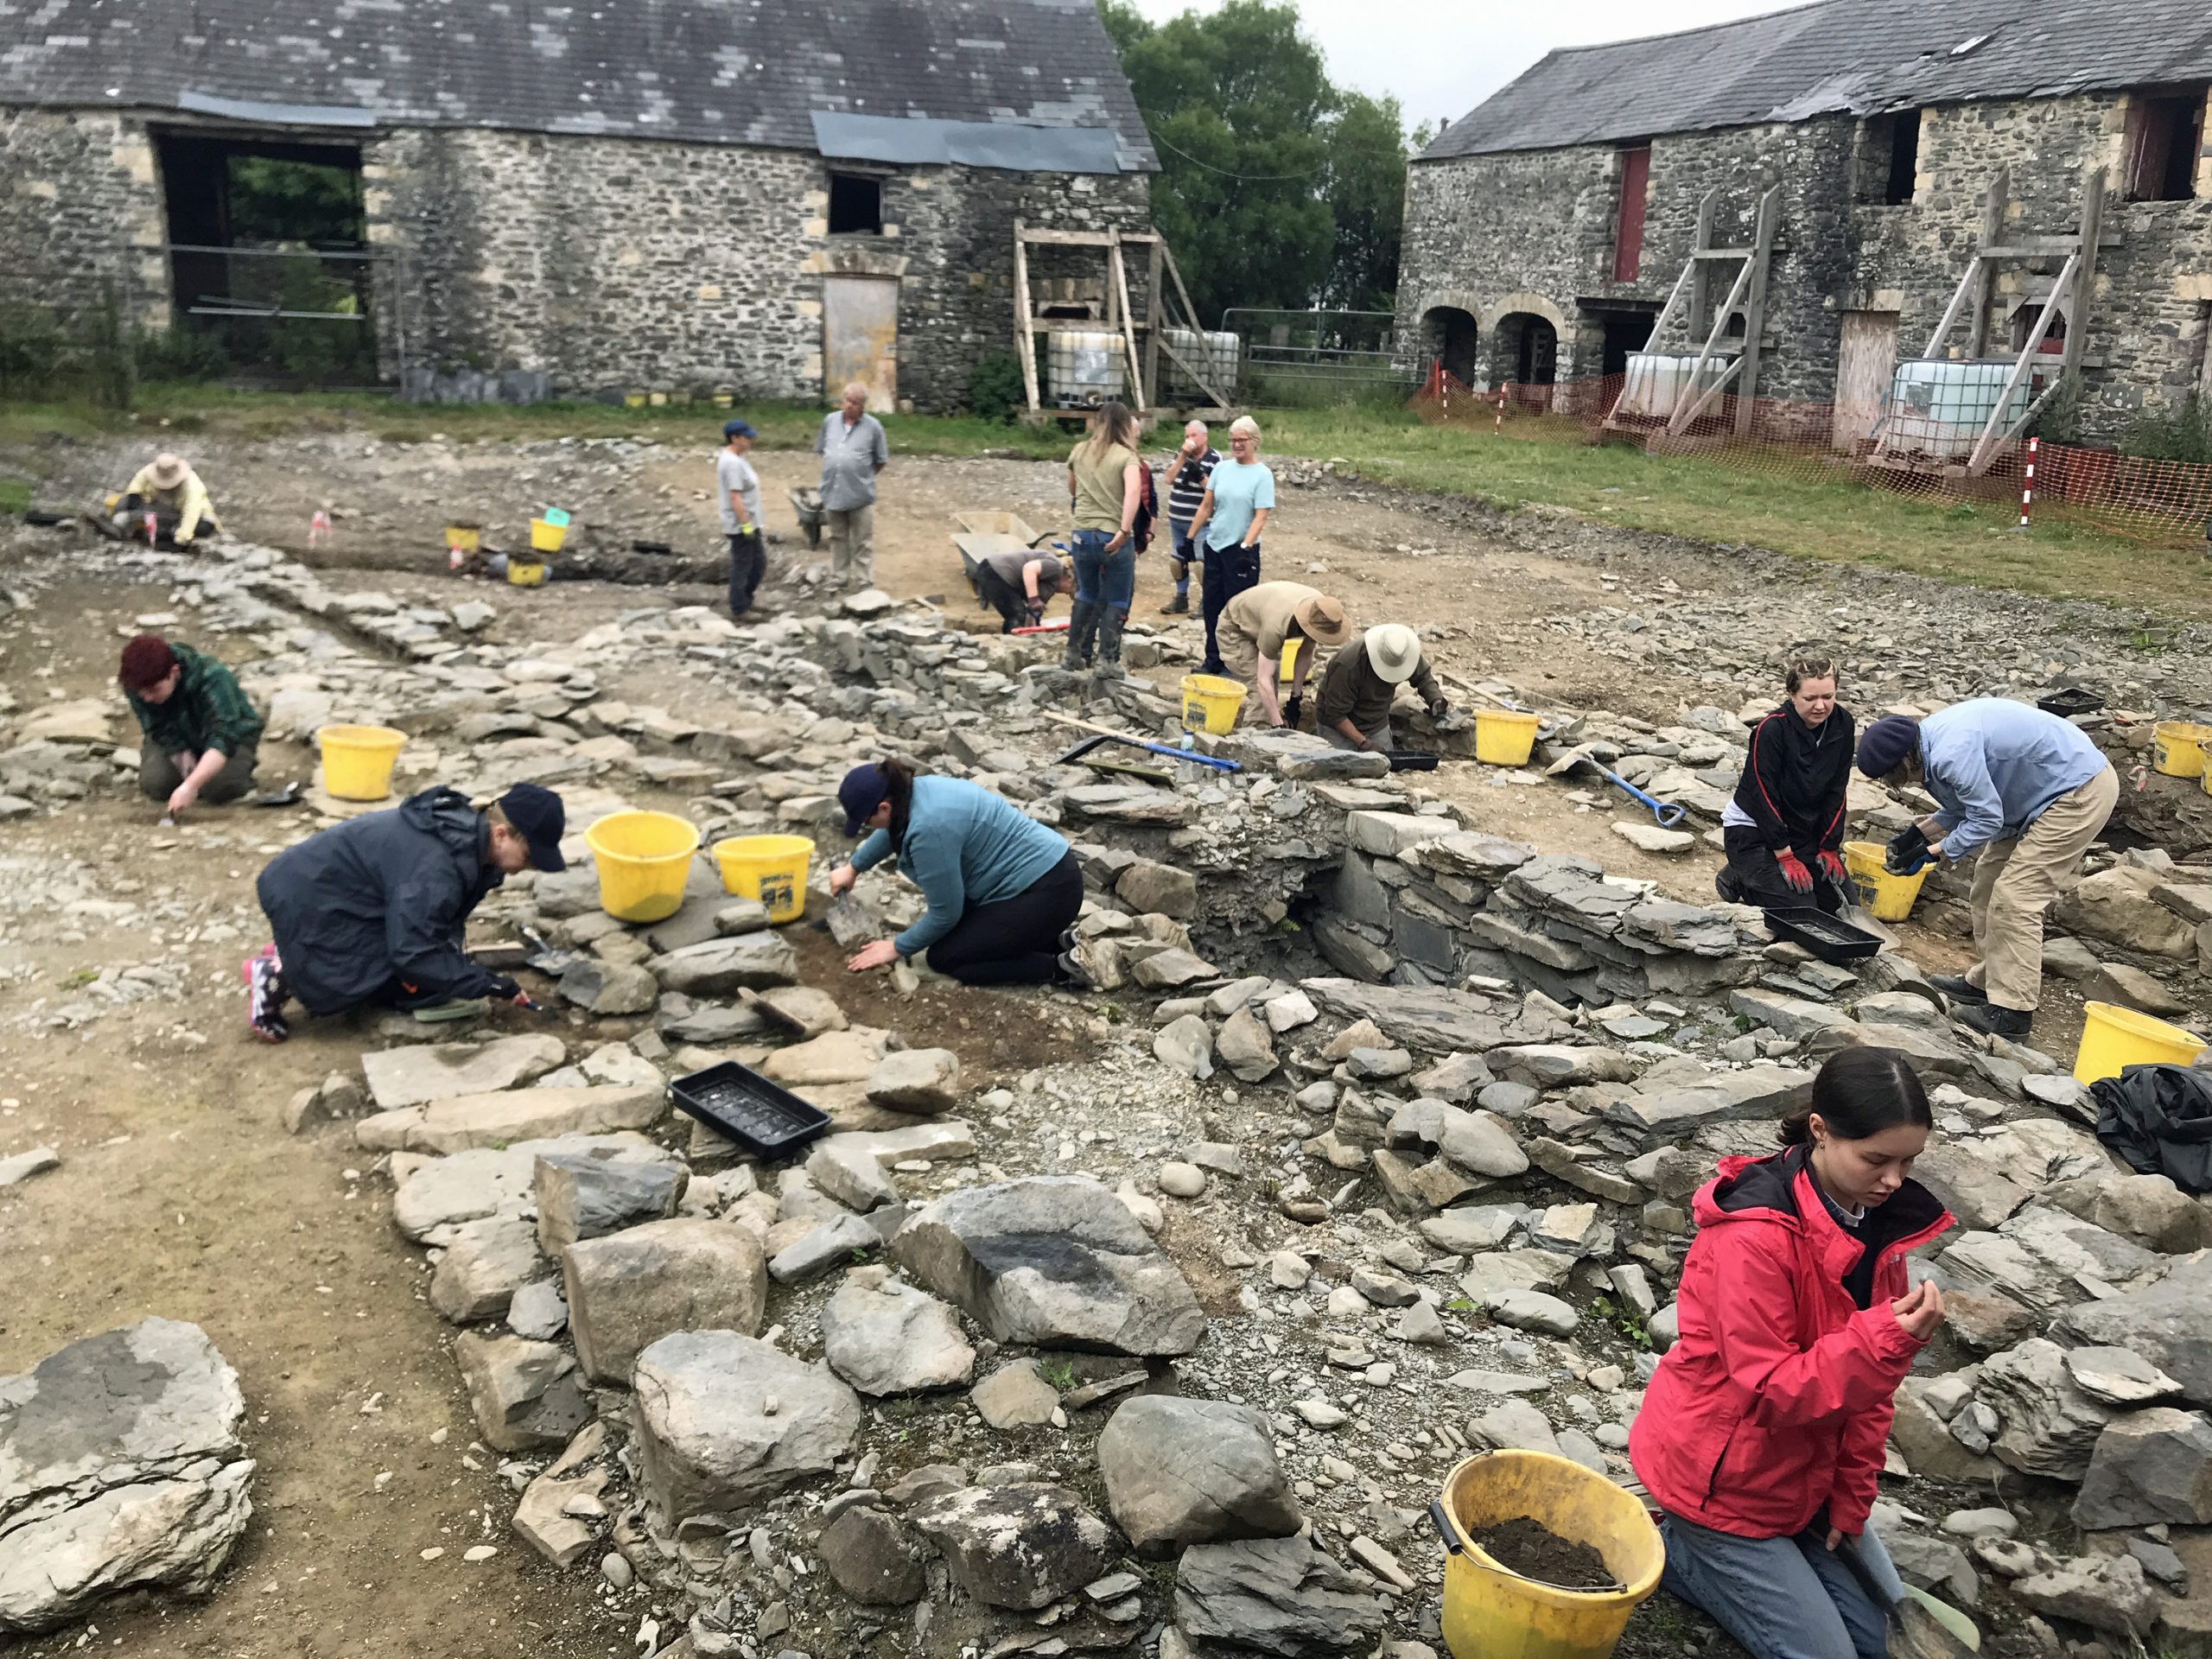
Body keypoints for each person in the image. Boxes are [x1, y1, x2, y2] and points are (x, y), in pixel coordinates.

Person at [1629, 1048, 1953, 1659]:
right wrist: (1885, 1342)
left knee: (1887, 1644)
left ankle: (1738, 1561)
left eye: (1909, 1161)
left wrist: (1851, 1497)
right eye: (1877, 1160)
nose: (1895, 1181)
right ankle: (1667, 1548)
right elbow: (1771, 1388)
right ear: (1821, 1131)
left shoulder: (1880, 1227)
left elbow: (1870, 1392)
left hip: (1805, 1480)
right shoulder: (1754, 1235)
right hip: (1720, 1484)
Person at [1858, 700, 2120, 1038]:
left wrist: (1934, 853)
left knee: (2015, 897)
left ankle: (2013, 1012)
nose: (1904, 784)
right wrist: (1917, 834)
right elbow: (1962, 803)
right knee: (1987, 882)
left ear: (1907, 759)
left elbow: (1986, 818)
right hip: (2037, 794)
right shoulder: (1928, 742)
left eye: (1899, 777)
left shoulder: (1951, 753)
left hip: (2078, 791)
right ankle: (1990, 982)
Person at [246, 783, 567, 1043]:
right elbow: (411, 953)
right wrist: (489, 984)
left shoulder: (467, 840)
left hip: (333, 892)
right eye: (529, 856)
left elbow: (431, 920)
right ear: (500, 834)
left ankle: (294, 949)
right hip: (305, 896)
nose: (532, 866)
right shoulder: (437, 866)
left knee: (424, 976)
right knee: (392, 978)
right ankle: (276, 973)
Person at [829, 760, 1086, 988]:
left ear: (884, 808)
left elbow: (945, 914)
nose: (866, 826)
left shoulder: (930, 829)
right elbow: (891, 830)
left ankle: (1062, 968)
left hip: (1048, 893)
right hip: (1045, 875)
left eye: (866, 821)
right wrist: (853, 868)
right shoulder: (913, 791)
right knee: (960, 937)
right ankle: (1058, 942)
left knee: (946, 958)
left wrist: (896, 947)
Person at [1717, 656, 1857, 914]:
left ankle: (1762, 875)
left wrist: (1829, 846)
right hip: (1755, 831)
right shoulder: (1772, 730)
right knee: (1803, 909)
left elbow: (1838, 787)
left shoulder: (1843, 724)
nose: (1820, 706)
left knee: (1843, 906)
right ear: (1792, 694)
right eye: (1810, 698)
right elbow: (1762, 793)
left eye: (1828, 696)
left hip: (1802, 829)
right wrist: (1784, 854)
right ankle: (1740, 877)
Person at [118, 633, 264, 816]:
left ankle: (240, 770)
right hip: (181, 733)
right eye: (141, 693)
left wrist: (190, 785)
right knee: (156, 784)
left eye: (154, 690)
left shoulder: (213, 677)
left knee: (219, 789)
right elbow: (157, 727)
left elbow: (223, 736)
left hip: (232, 736)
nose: (147, 698)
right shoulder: (136, 684)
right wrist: (181, 755)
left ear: (174, 672)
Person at [1061, 401, 1147, 676]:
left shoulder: (1079, 450)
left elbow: (1073, 488)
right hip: (1112, 534)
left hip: (1081, 535)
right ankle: (1106, 660)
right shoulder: (1127, 457)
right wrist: (1124, 530)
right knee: (1117, 598)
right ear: (1124, 425)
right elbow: (1133, 493)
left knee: (1086, 592)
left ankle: (1072, 653)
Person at [1185, 416, 1274, 675]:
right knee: (1212, 606)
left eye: (1241, 440)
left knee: (1238, 611)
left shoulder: (1262, 475)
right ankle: (1213, 660)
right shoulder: (1222, 469)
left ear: (1254, 442)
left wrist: (1246, 547)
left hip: (1241, 551)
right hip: (1216, 546)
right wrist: (1189, 539)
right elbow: (1206, 505)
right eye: (1232, 440)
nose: (1236, 445)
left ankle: (1236, 664)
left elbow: (1261, 515)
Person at [1214, 582, 1351, 728]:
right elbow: (1262, 680)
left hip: (1261, 621)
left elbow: (1305, 652)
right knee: (1260, 695)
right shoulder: (1277, 627)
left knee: (1273, 686)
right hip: (1235, 628)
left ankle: (1268, 729)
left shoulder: (1321, 612)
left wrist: (1295, 698)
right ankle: (1257, 738)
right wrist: (1277, 723)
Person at [1317, 623, 1446, 752]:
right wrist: (1364, 743)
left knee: (1386, 764)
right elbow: (1335, 714)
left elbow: (1423, 676)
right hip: (1337, 727)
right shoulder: (1348, 665)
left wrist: (1435, 699)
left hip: (1376, 723)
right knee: (1342, 768)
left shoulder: (1403, 653)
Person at [815, 383, 888, 589]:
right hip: (832, 491)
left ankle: (864, 580)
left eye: (855, 403)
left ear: (862, 406)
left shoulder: (874, 427)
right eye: (847, 401)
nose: (849, 406)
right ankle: (840, 576)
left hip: (860, 494)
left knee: (863, 540)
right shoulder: (829, 421)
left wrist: (861, 475)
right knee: (837, 537)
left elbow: (881, 459)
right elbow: (823, 450)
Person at [1158, 420, 1219, 616]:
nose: (1189, 440)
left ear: (1204, 437)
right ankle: (1181, 597)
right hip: (1177, 517)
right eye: (1187, 436)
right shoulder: (1180, 454)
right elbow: (1168, 479)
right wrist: (1183, 456)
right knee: (1177, 561)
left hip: (1201, 521)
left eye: (1193, 436)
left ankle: (1206, 601)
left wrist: (1200, 476)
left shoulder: (1215, 458)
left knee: (1202, 564)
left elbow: (1217, 490)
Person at [111, 452, 219, 546]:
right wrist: (133, 498)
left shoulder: (192, 486)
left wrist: (182, 537)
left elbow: (191, 513)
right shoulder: (150, 470)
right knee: (123, 504)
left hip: (196, 517)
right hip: (164, 511)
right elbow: (136, 484)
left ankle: (163, 533)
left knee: (196, 529)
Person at [717, 418, 767, 617]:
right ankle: (739, 607)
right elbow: (735, 496)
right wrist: (745, 524)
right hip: (740, 523)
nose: (750, 440)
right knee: (744, 564)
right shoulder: (732, 464)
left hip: (750, 520)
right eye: (747, 437)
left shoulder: (738, 459)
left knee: (758, 563)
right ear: (734, 438)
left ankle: (746, 600)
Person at [976, 547, 1072, 634]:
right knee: (1017, 615)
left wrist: (1035, 630)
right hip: (994, 572)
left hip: (995, 573)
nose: (1067, 593)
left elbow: (1033, 612)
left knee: (1019, 616)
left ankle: (1012, 642)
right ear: (1069, 577)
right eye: (1071, 588)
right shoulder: (1056, 567)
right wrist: (1034, 600)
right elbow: (1029, 568)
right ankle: (1012, 647)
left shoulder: (1050, 583)